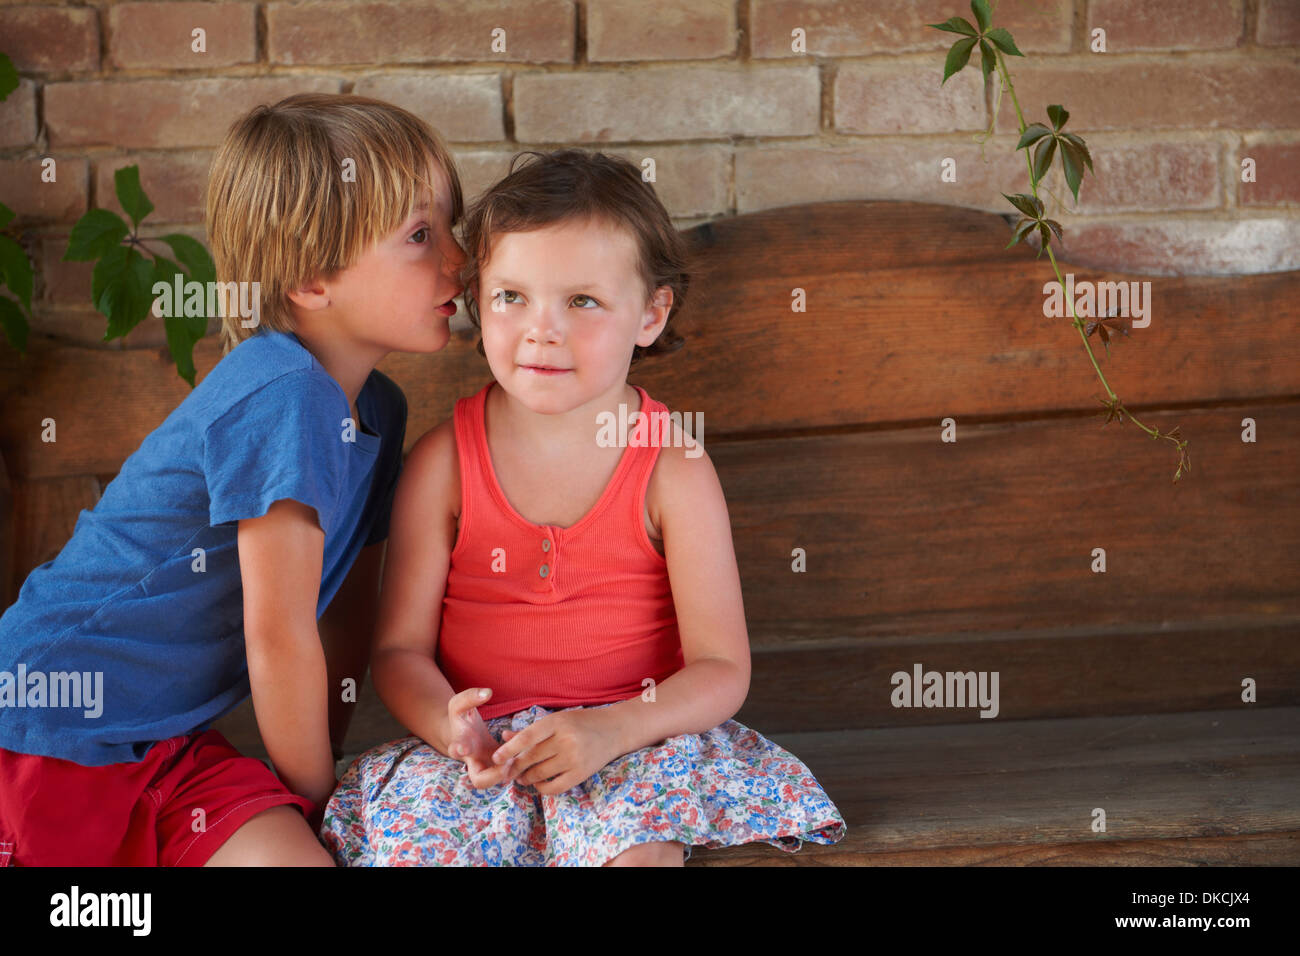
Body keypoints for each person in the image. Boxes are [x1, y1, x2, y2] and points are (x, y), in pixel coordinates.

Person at [321, 149, 846, 866]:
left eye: (582, 301)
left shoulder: (672, 464)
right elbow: (399, 653)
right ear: (478, 297)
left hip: (633, 740)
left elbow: (722, 667)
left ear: (651, 314)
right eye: (512, 297)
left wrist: (612, 730)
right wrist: (450, 727)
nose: (543, 330)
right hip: (489, 752)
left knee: (637, 843)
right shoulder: (442, 463)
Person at [0, 93, 468, 866]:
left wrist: (323, 781)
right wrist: (315, 796)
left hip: (172, 744)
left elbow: (346, 614)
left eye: (451, 227)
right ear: (313, 279)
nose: (458, 258)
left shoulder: (378, 410)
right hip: (51, 730)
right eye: (422, 236)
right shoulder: (282, 392)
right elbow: (278, 636)